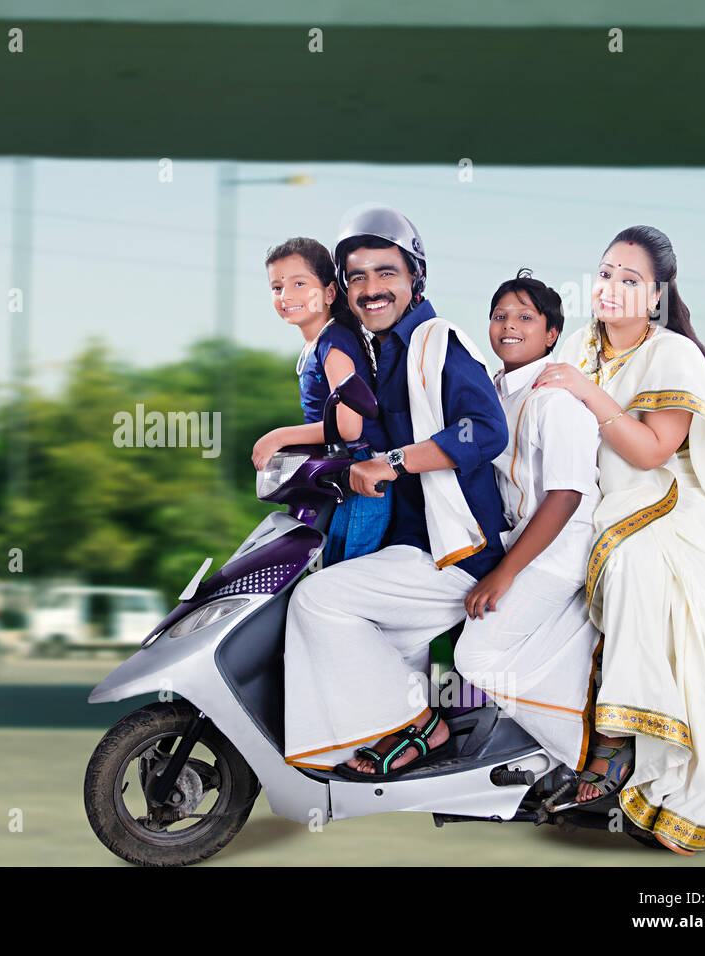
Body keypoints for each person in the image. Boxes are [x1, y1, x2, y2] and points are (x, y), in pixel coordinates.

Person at [536, 225, 705, 854]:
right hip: (592, 498)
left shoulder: (673, 355)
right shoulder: (579, 344)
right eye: (605, 273)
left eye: (629, 280)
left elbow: (653, 450)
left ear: (656, 295)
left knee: (639, 569)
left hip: (667, 502)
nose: (610, 288)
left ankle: (626, 760)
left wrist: (584, 391)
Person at [282, 204, 509, 777]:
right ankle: (393, 751)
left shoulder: (440, 342)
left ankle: (419, 727)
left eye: (386, 272)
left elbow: (484, 429)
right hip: (407, 543)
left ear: (415, 278)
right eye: (357, 276)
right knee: (367, 633)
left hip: (455, 550)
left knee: (319, 600)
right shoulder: (379, 353)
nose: (371, 288)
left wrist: (395, 462)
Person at [453, 269, 602, 772]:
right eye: (499, 316)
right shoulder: (494, 390)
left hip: (560, 551)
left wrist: (506, 572)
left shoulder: (555, 400)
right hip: (518, 542)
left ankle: (580, 746)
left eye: (524, 317)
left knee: (473, 659)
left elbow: (565, 496)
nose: (508, 326)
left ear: (551, 333)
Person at [251, 238, 390, 563]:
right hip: (340, 475)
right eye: (276, 287)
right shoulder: (320, 342)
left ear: (329, 293)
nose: (286, 295)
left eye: (299, 283)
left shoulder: (335, 342)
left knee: (344, 583)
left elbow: (349, 425)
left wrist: (280, 436)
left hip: (359, 479)